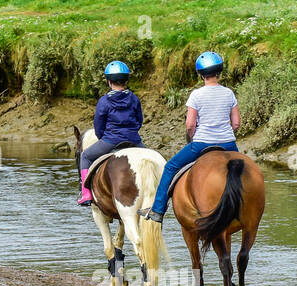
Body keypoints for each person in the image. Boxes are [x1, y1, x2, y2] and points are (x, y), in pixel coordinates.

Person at [143, 51, 238, 222]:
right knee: (245, 169)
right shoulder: (229, 93)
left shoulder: (196, 95)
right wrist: (226, 135)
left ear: (201, 75)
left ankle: (157, 210)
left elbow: (190, 124)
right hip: (229, 144)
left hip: (201, 144)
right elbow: (236, 123)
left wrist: (192, 136)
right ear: (219, 72)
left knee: (170, 167)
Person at [78, 61, 143, 206]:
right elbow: (139, 120)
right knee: (154, 159)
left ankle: (86, 194)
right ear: (126, 80)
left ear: (109, 81)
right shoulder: (134, 98)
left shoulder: (104, 101)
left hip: (111, 140)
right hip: (133, 139)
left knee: (85, 156)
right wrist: (131, 132)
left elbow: (98, 125)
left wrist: (103, 138)